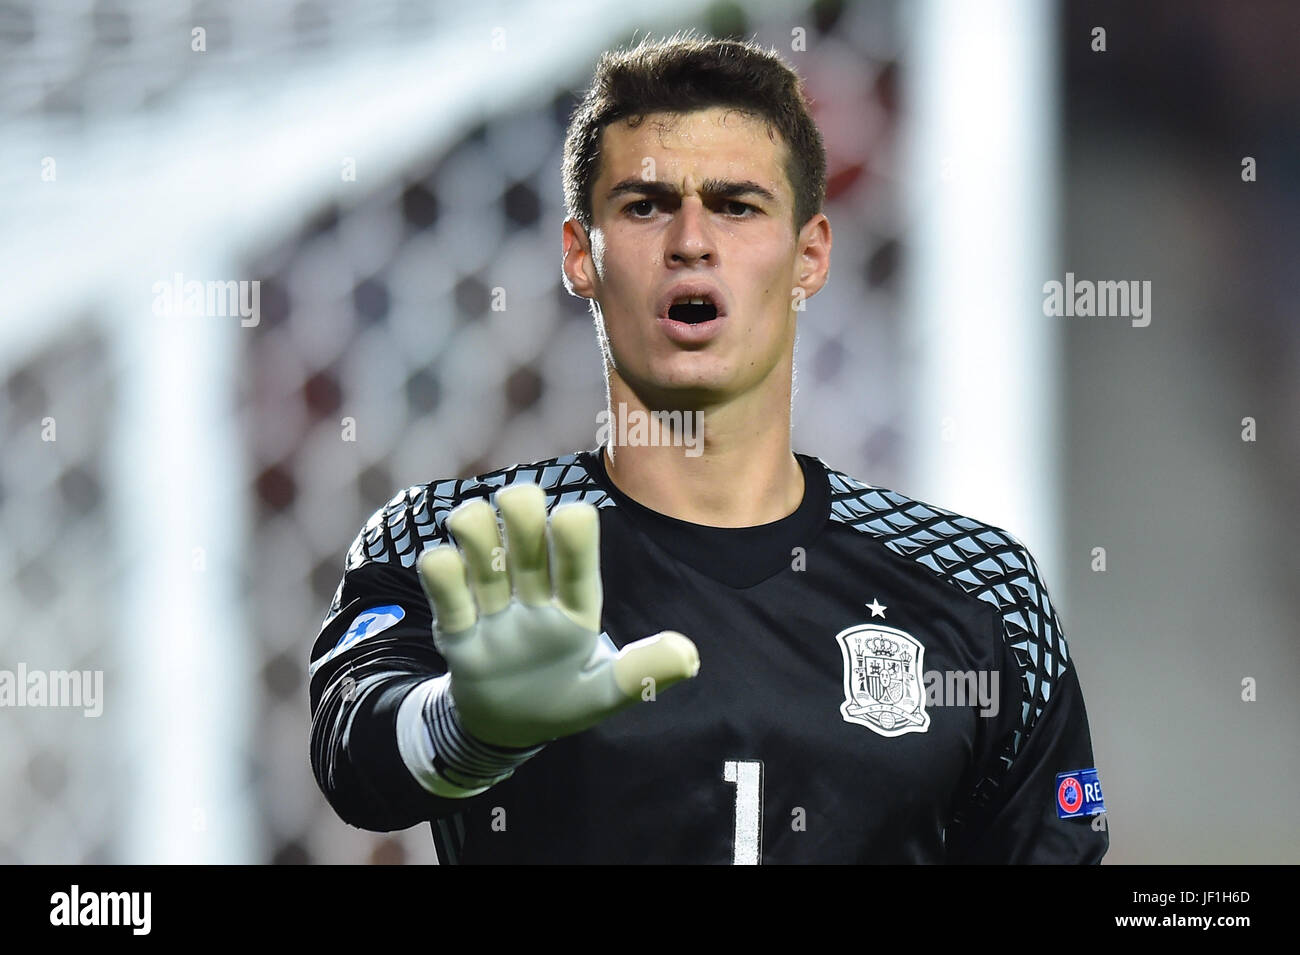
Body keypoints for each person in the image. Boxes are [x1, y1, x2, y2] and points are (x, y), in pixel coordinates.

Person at [308, 32, 1109, 864]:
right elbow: (350, 754)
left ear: (810, 255)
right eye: (646, 205)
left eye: (737, 205)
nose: (692, 239)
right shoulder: (455, 542)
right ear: (581, 255)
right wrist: (468, 728)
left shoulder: (982, 590)